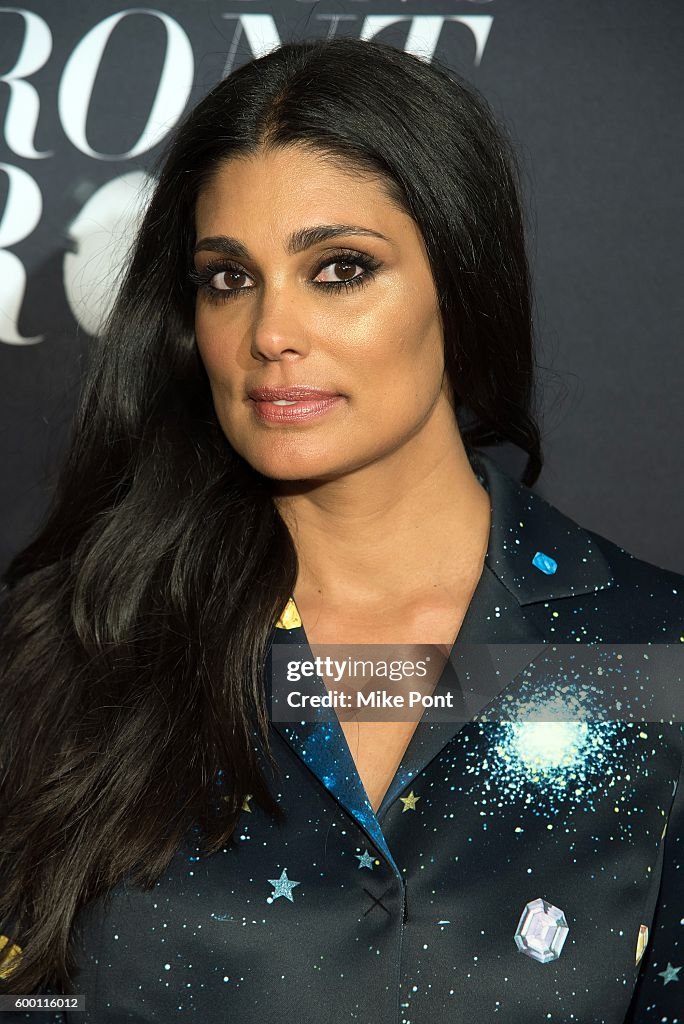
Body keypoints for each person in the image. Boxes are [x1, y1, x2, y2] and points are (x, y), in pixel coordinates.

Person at [0, 36, 682, 1024]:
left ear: (462, 284)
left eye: (340, 268)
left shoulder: (651, 646)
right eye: (229, 279)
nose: (271, 332)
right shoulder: (69, 648)